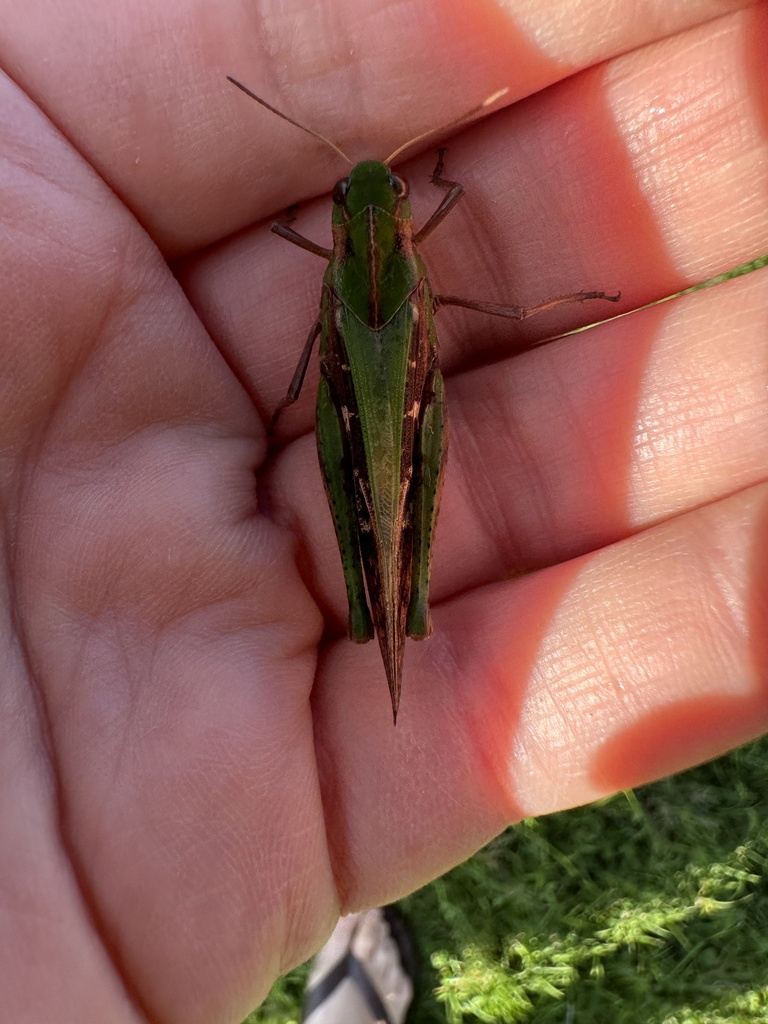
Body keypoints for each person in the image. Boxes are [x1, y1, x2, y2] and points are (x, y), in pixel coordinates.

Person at [2, 1, 766, 1021]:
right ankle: (385, 603)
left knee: (401, 459)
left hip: (395, 390)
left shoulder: (330, 252)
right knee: (372, 459)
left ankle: (392, 602)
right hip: (362, 393)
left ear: (363, 221)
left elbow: (305, 299)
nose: (383, 202)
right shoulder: (401, 242)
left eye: (396, 191)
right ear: (395, 219)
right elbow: (463, 316)